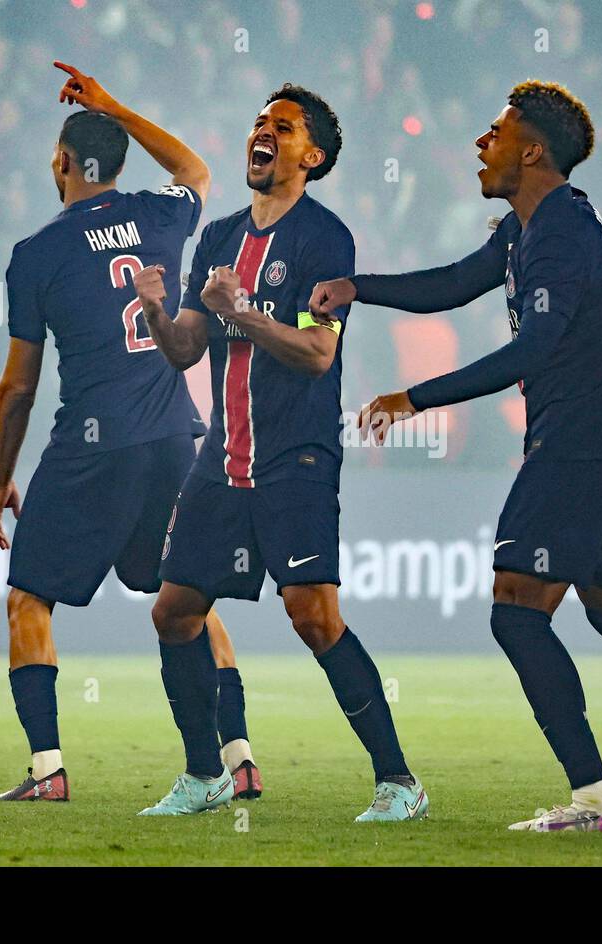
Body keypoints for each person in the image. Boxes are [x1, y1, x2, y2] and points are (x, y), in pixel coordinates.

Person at [313, 81, 602, 832]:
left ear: (533, 150)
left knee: (516, 611)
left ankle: (593, 800)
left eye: (495, 132)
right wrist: (359, 288)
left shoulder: (563, 236)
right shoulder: (528, 229)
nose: (482, 144)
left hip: (576, 446)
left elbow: (531, 350)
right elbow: (452, 283)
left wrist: (413, 398)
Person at [131, 84, 426, 822]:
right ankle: (207, 776)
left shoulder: (324, 240)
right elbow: (188, 349)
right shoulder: (221, 236)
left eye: (283, 126)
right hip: (221, 462)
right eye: (259, 120)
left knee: (314, 616)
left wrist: (242, 312)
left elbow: (318, 354)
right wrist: (158, 311)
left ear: (311, 155)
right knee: (173, 612)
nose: (262, 131)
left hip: (294, 456)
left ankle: (399, 783)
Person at [0, 63, 254, 802]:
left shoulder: (35, 254)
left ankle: (47, 771)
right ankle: (238, 756)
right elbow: (195, 167)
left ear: (64, 163)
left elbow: (18, 387)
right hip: (175, 437)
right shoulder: (161, 213)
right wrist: (115, 107)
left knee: (28, 599)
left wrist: (1, 475)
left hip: (92, 446)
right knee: (188, 596)